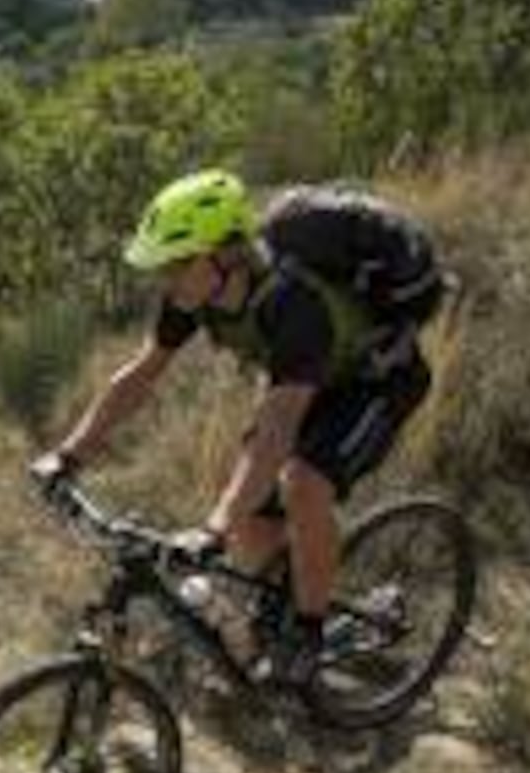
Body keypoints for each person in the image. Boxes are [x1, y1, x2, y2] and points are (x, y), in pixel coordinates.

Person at [32, 170, 445, 687]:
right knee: (252, 522)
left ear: (226, 254)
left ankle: (309, 635)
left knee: (302, 483)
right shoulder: (192, 295)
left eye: (178, 264)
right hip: (306, 384)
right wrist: (68, 455)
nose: (167, 278)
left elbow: (277, 429)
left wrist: (212, 529)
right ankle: (294, 602)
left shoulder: (295, 304)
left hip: (377, 384)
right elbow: (141, 374)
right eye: (162, 267)